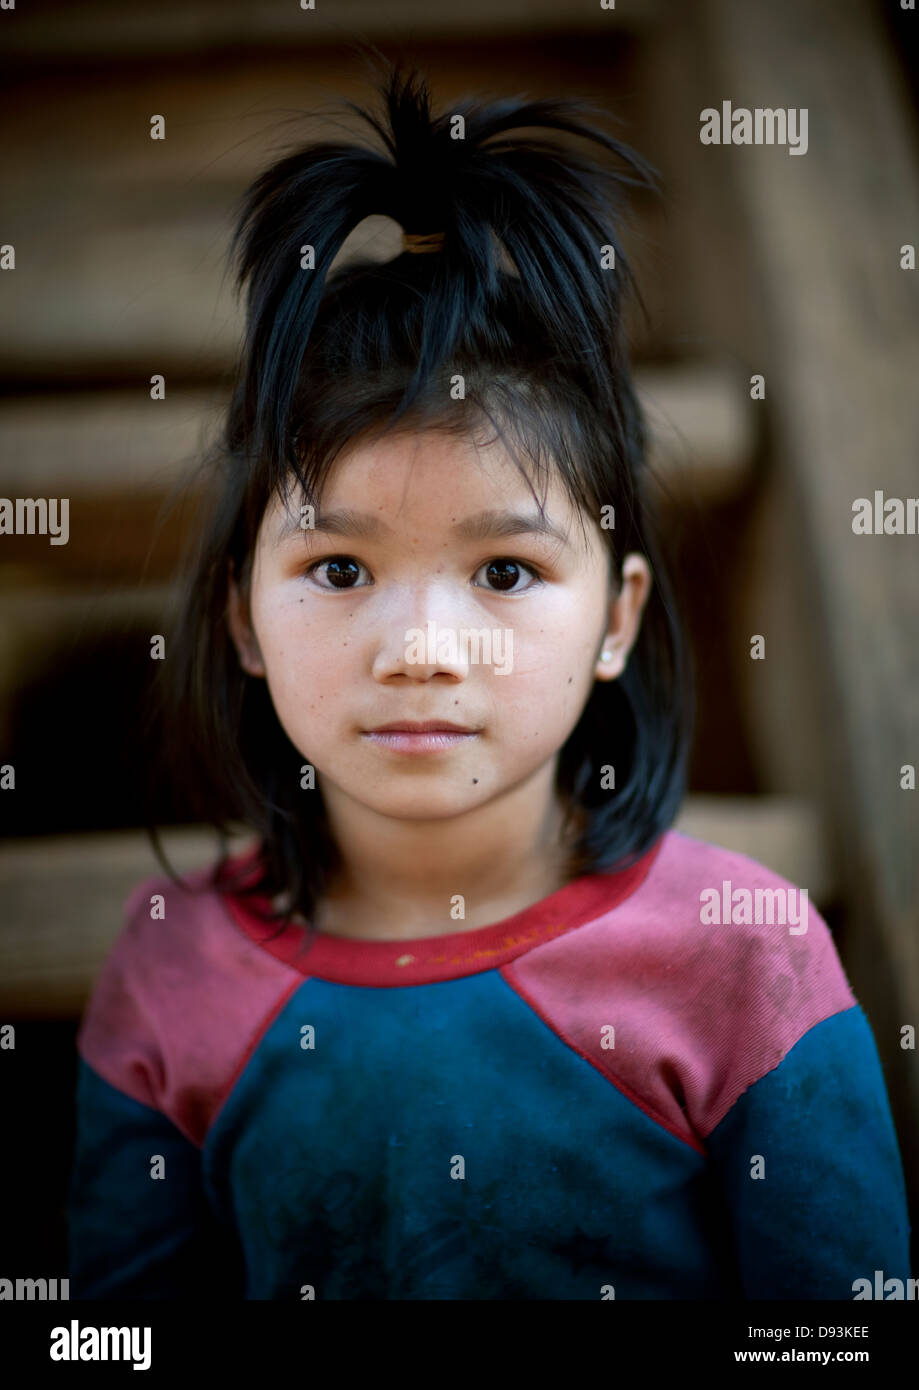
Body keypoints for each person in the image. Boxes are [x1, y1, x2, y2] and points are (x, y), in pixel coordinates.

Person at [67, 60, 910, 1300]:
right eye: (340, 565)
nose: (422, 648)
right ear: (242, 615)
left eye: (506, 573)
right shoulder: (173, 972)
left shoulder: (744, 958)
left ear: (617, 617)